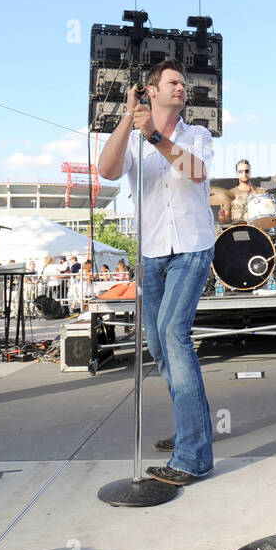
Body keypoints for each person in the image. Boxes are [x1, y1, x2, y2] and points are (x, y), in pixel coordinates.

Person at [98, 60, 215, 487]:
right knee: (161, 349)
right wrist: (129, 120)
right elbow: (107, 170)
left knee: (172, 334)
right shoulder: (133, 137)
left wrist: (155, 137)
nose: (182, 87)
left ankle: (193, 456)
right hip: (151, 252)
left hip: (191, 247)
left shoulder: (197, 135)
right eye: (173, 82)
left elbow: (197, 172)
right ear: (151, 90)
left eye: (184, 82)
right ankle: (194, 430)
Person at [218, 159, 268, 225]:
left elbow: (267, 215)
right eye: (241, 171)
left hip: (257, 229)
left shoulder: (261, 191)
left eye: (246, 171)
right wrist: (222, 218)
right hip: (238, 230)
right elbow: (226, 219)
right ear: (237, 174)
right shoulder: (230, 194)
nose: (244, 173)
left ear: (250, 172)